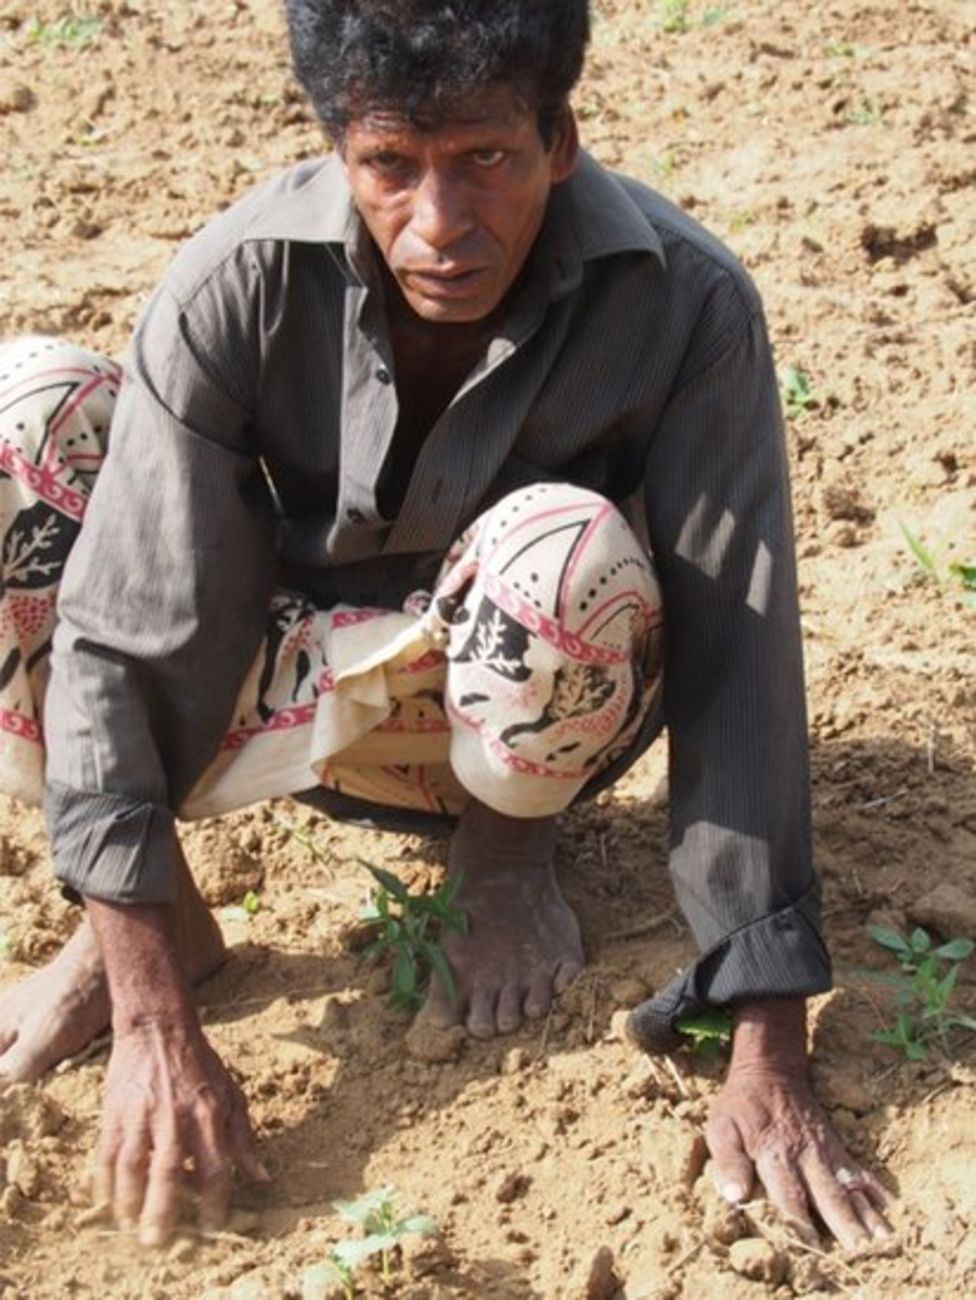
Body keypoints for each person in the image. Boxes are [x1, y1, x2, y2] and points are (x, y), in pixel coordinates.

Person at [0, 0, 890, 1253]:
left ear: (558, 141)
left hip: (531, 696)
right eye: (389, 164)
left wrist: (768, 1045)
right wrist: (149, 1014)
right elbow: (117, 624)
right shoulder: (239, 280)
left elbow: (741, 655)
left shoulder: (683, 302)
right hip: (281, 689)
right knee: (27, 418)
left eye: (484, 157)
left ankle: (503, 859)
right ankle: (151, 927)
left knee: (558, 543)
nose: (438, 223)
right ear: (338, 148)